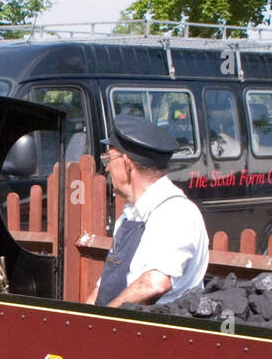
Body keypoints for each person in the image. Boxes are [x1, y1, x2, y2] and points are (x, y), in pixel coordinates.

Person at [89, 115, 209, 309]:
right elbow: (105, 286)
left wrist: (103, 320)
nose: (107, 169)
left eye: (108, 159)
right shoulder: (129, 215)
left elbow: (154, 284)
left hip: (154, 332)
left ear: (127, 163)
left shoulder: (175, 213)